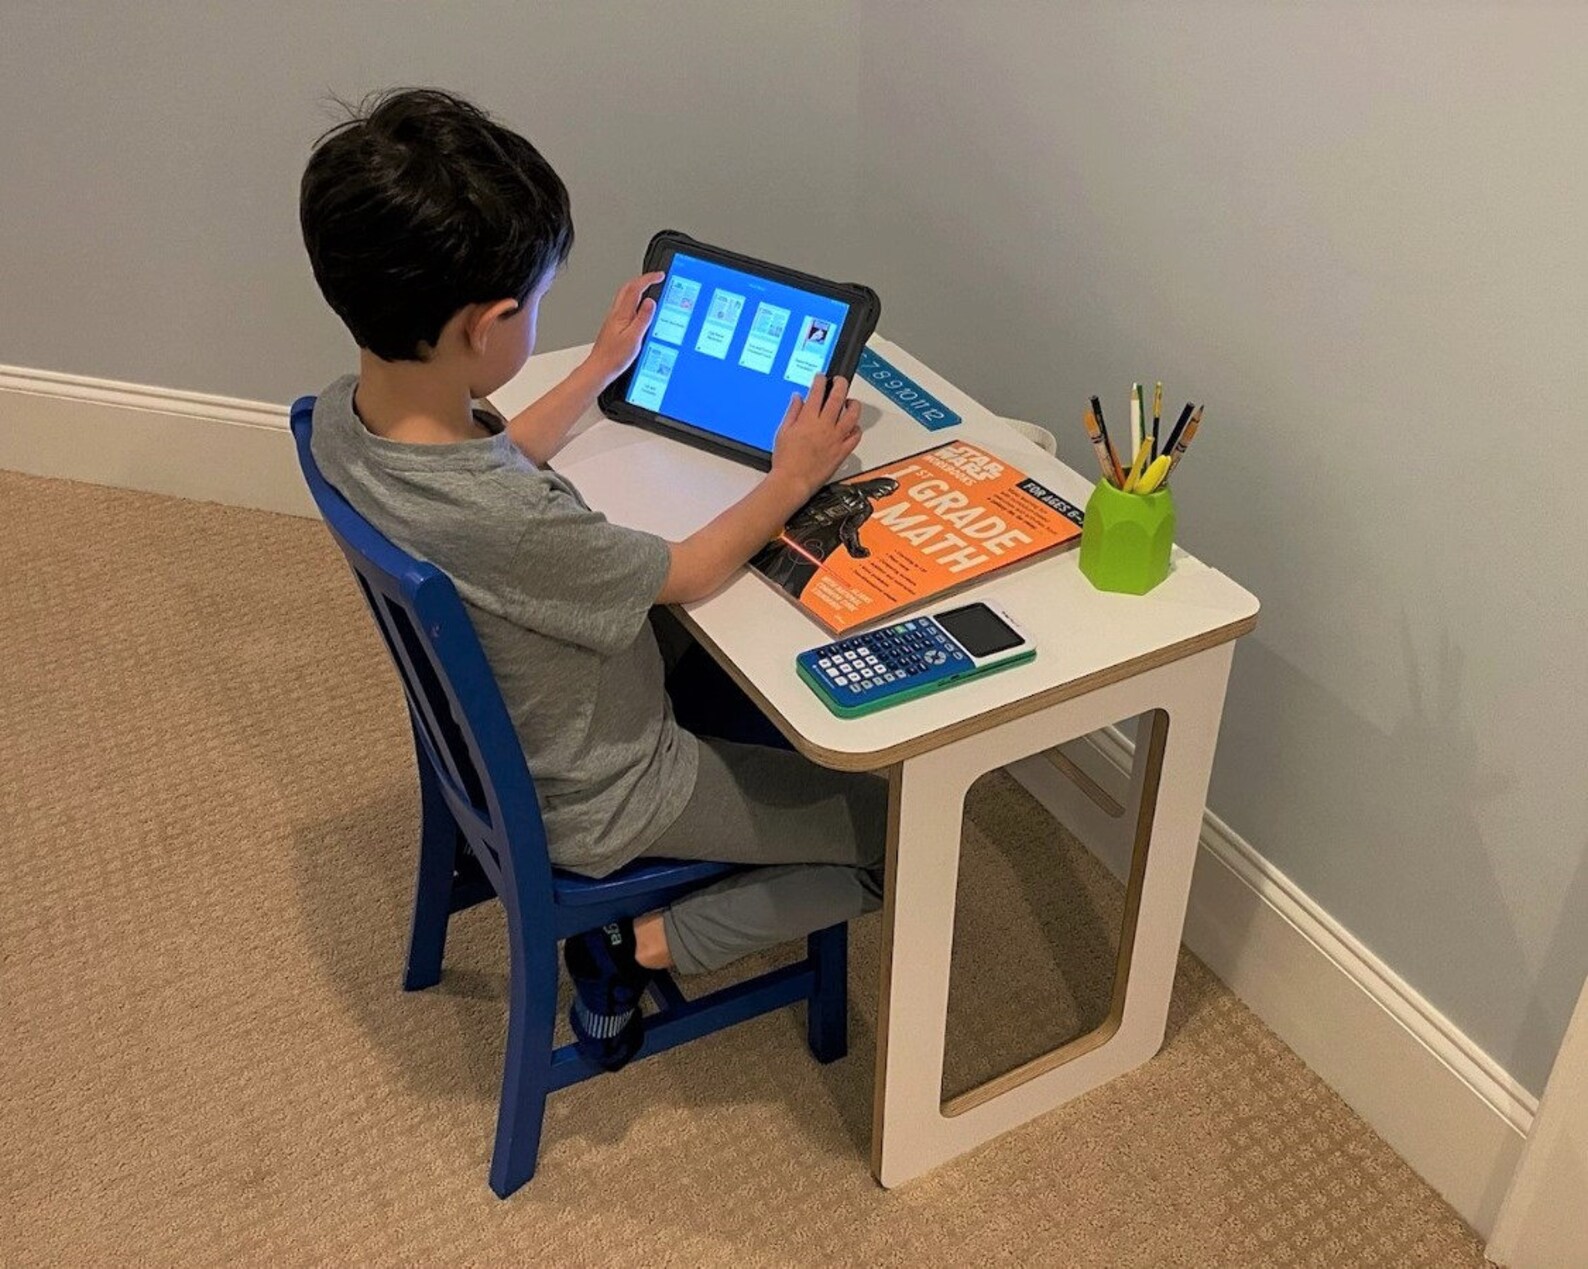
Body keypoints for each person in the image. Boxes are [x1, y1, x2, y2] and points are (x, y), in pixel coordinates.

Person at [299, 89, 885, 1069]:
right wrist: (792, 477)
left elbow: (498, 455)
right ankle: (636, 944)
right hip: (611, 792)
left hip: (519, 732)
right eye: (533, 306)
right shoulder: (518, 523)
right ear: (488, 325)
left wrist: (598, 369)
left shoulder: (342, 418)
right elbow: (687, 570)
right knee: (890, 825)